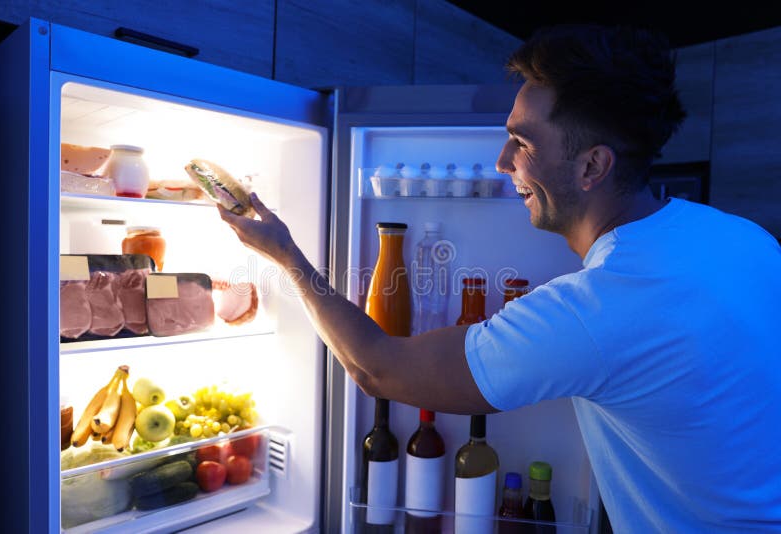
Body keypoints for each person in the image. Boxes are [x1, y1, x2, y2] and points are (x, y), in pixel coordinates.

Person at [218, 24, 781, 533]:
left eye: (524, 142)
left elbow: (377, 368)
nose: (500, 160)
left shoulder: (600, 308)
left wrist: (286, 255)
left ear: (592, 166)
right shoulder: (743, 238)